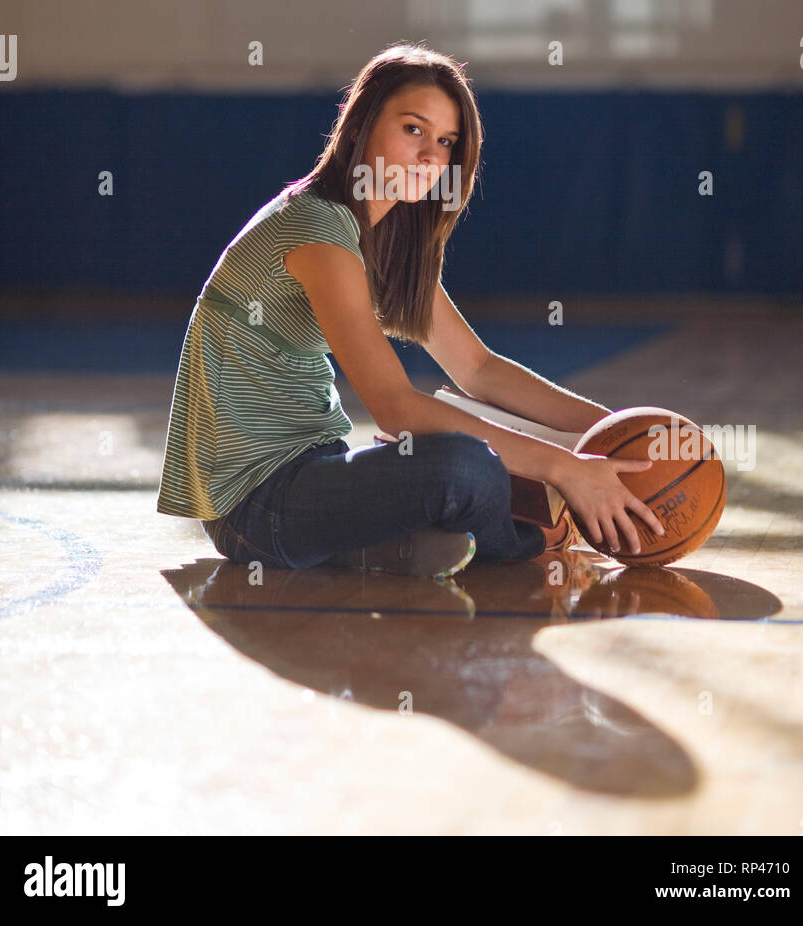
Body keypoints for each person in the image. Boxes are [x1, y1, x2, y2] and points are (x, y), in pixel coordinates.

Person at [157, 41, 664, 579]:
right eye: (413, 129)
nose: (430, 155)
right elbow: (396, 409)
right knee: (466, 467)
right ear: (358, 127)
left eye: (445, 141)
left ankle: (385, 545)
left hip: (318, 468)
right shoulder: (316, 230)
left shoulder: (382, 239)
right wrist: (565, 469)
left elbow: (478, 369)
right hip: (255, 504)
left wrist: (623, 432)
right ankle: (529, 538)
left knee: (475, 452)